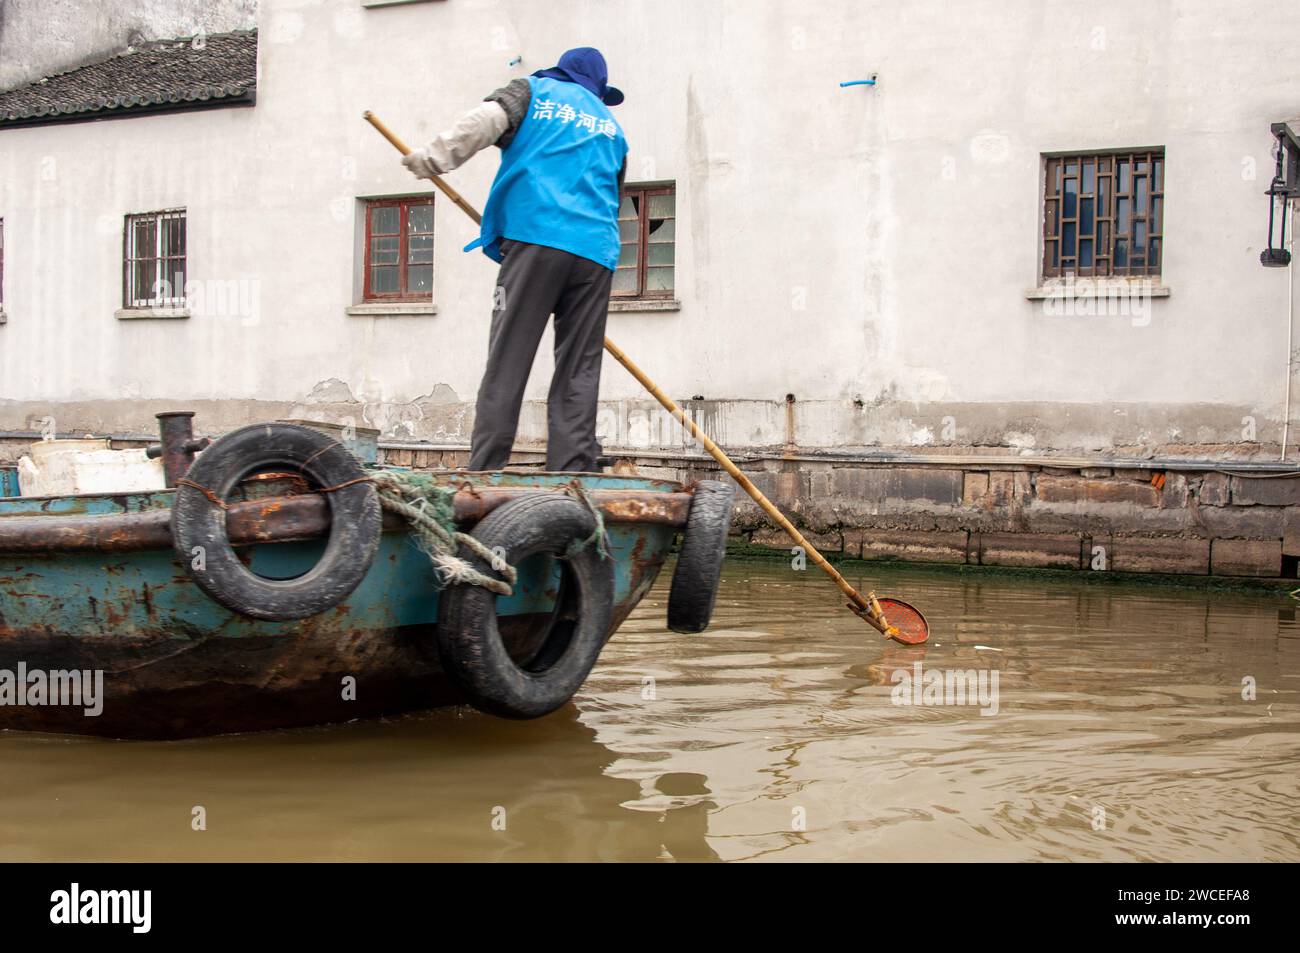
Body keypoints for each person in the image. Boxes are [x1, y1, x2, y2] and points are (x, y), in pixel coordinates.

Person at [401, 47, 628, 472]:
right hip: (596, 253)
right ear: (596, 87)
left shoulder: (533, 93)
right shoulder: (612, 129)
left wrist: (432, 159)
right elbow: (613, 197)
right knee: (580, 368)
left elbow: (485, 121)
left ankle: (486, 468)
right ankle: (573, 470)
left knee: (509, 357)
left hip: (537, 240)